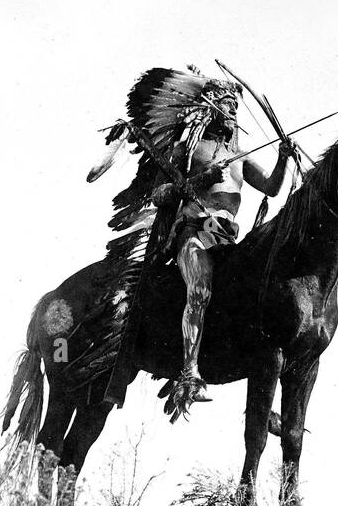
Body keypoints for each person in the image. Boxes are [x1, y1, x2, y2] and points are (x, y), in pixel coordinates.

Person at [93, 67, 299, 418]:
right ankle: (189, 372)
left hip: (228, 239)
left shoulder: (241, 157)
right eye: (226, 105)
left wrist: (282, 157)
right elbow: (159, 194)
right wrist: (200, 178)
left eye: (235, 107)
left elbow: (272, 188)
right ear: (209, 107)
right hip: (192, 236)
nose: (232, 113)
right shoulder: (187, 149)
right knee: (200, 287)